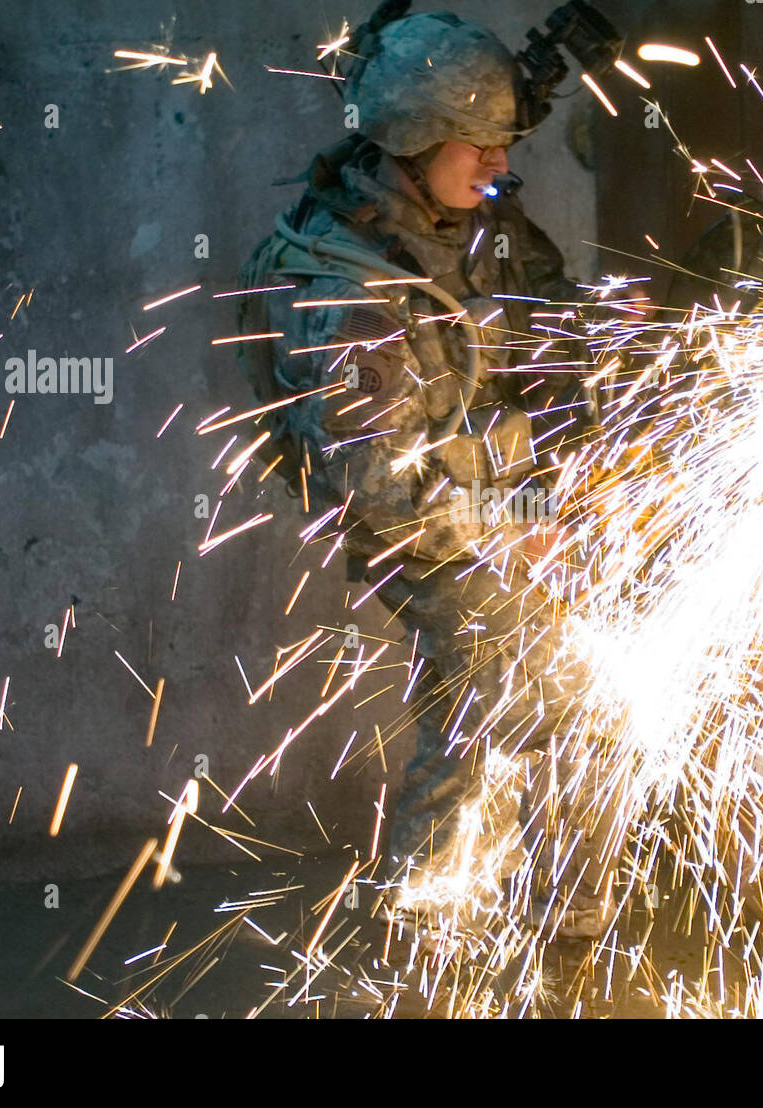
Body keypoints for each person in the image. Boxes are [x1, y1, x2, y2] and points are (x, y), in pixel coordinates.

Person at [237, 8, 613, 941]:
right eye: (478, 146)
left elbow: (535, 312)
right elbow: (384, 490)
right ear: (411, 144)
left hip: (487, 497)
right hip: (426, 535)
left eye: (501, 144)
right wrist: (527, 508)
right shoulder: (352, 293)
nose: (498, 167)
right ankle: (566, 932)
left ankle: (420, 924)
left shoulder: (457, 212)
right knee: (576, 712)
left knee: (470, 713)